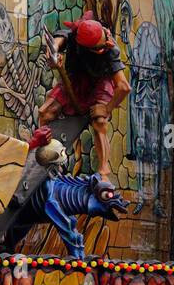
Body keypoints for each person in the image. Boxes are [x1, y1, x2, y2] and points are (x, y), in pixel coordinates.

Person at [39, 12, 130, 180]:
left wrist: (107, 108)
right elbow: (60, 40)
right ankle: (42, 158)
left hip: (100, 83)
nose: (104, 45)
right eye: (98, 48)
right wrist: (53, 53)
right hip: (76, 81)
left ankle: (104, 172)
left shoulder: (110, 49)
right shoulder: (76, 36)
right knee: (45, 112)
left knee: (100, 121)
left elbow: (124, 87)